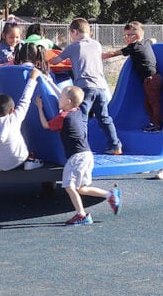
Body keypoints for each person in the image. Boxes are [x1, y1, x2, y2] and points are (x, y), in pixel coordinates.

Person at [34, 86, 121, 225]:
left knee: (69, 186)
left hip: (77, 158)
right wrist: (51, 83)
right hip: (87, 155)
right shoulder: (78, 111)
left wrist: (39, 107)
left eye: (60, 97)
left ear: (68, 101)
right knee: (81, 189)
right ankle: (110, 195)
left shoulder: (63, 117)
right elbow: (68, 96)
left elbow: (45, 125)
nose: (58, 98)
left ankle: (81, 215)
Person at [50, 18, 123, 155]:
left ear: (74, 32)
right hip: (100, 86)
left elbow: (55, 60)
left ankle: (82, 149)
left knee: (81, 119)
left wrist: (45, 57)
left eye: (71, 35)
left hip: (84, 87)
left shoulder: (74, 47)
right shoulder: (97, 45)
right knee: (104, 117)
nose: (71, 38)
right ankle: (115, 145)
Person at [103, 21, 163, 132]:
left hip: (151, 79)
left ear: (138, 36)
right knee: (148, 102)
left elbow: (114, 53)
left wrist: (99, 56)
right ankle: (154, 122)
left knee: (154, 102)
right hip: (153, 78)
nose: (126, 38)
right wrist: (152, 40)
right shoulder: (145, 43)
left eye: (129, 35)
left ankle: (157, 125)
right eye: (125, 35)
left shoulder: (134, 47)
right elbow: (153, 40)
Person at [0, 67, 44, 172]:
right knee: (24, 135)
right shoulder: (14, 118)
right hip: (19, 158)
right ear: (11, 110)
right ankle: (30, 160)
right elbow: (25, 99)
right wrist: (32, 78)